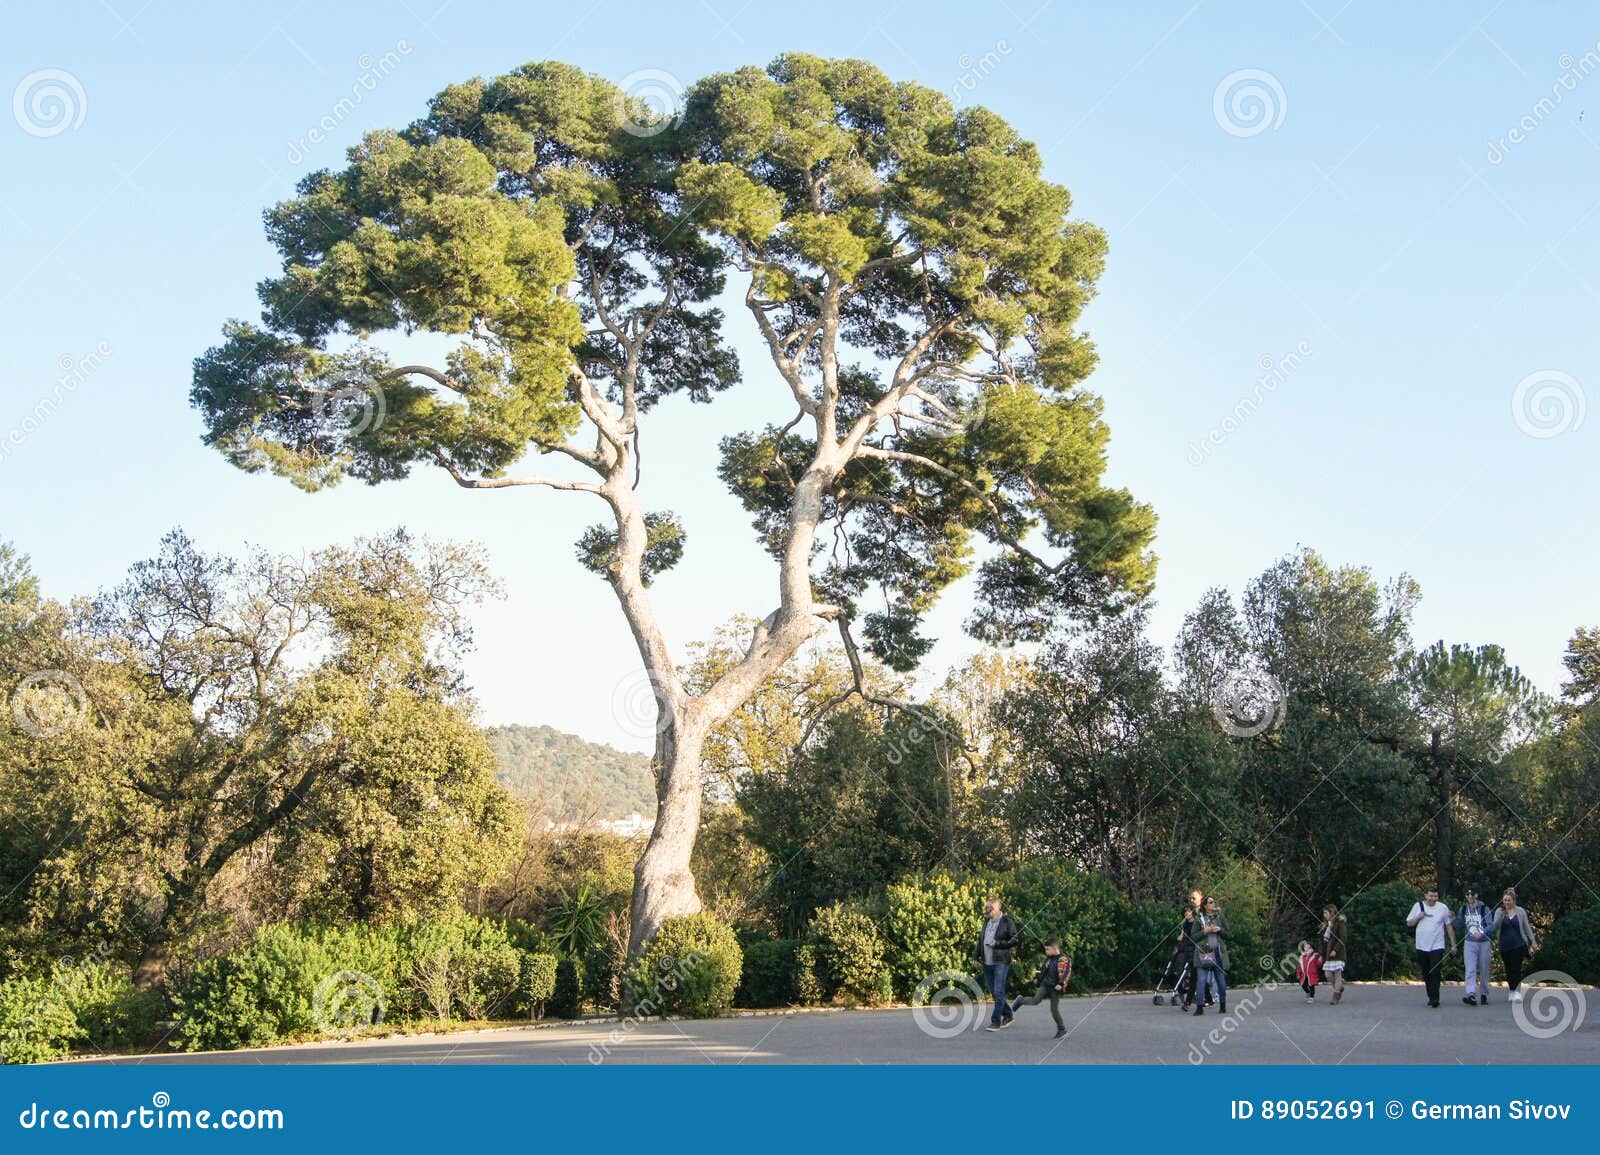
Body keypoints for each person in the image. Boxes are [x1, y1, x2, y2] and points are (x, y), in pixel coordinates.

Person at [972, 897, 1022, 1030]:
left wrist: (998, 944)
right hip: (987, 961)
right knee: (994, 992)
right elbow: (980, 940)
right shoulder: (987, 921)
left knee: (998, 991)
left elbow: (1015, 940)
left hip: (1001, 961)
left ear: (998, 908)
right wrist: (976, 955)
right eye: (987, 907)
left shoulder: (1007, 922)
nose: (988, 910)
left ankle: (996, 1021)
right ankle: (1008, 1015)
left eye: (990, 908)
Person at [1009, 939, 1072, 1039]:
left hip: (1056, 988)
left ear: (1055, 948)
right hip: (1045, 985)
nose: (1046, 951)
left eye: (1047, 949)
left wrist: (1061, 983)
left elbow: (1066, 972)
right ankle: (1020, 1000)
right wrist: (1037, 980)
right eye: (1045, 949)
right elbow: (1043, 971)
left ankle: (1062, 1030)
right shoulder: (1048, 959)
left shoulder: (1064, 959)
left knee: (1054, 1009)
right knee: (1035, 1000)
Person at [1406, 886, 1456, 1008]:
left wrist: (1453, 944)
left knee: (1435, 971)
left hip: (1437, 945)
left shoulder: (1442, 908)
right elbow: (1409, 923)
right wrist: (1418, 917)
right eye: (1431, 896)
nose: (1433, 898)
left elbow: (1449, 926)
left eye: (1435, 896)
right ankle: (1430, 995)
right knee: (1426, 972)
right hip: (1422, 945)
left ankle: (1435, 998)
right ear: (1425, 895)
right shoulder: (1418, 906)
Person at [1490, 888, 1539, 1003]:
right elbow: (1494, 927)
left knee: (1515, 968)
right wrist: (1500, 918)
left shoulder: (1520, 911)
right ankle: (1511, 991)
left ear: (1514, 900)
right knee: (1508, 969)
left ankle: (1517, 991)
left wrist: (1533, 941)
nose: (1506, 903)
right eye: (1505, 900)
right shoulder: (1499, 911)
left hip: (1519, 944)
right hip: (1504, 945)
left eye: (1509, 900)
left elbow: (1526, 927)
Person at [1456, 885, 1494, 1006]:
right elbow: (1460, 924)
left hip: (1484, 943)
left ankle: (1483, 993)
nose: (1470, 897)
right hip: (1469, 942)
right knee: (1470, 969)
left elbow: (1491, 925)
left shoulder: (1484, 909)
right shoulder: (1463, 909)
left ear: (1476, 895)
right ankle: (1471, 994)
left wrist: (1481, 932)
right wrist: (1451, 919)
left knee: (1484, 969)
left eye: (1472, 894)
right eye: (1467, 895)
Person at [1192, 895, 1230, 1015]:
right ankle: (1199, 1007)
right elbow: (1193, 937)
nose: (1213, 904)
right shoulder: (1199, 919)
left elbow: (1229, 935)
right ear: (1205, 905)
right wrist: (1205, 931)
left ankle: (1223, 1005)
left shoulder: (1220, 917)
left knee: (1221, 982)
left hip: (1218, 953)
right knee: (1201, 981)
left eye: (1214, 902)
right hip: (1204, 953)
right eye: (1210, 902)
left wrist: (1220, 929)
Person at [1320, 903, 1349, 1006]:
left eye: (1326, 912)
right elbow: (1324, 942)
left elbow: (1343, 938)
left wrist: (1336, 950)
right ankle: (1339, 987)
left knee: (1337, 975)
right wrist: (1321, 955)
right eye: (1324, 912)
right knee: (1327, 975)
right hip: (1328, 953)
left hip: (1338, 953)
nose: (1324, 915)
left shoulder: (1340, 923)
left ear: (1332, 913)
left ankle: (1335, 996)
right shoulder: (1326, 925)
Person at [1176, 902, 1199, 1009]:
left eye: (1189, 911)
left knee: (1196, 976)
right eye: (1185, 912)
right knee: (1193, 975)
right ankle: (1188, 1000)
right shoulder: (1184, 925)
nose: (1187, 913)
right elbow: (1181, 937)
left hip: (1196, 951)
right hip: (1186, 950)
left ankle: (1189, 1001)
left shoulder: (1198, 923)